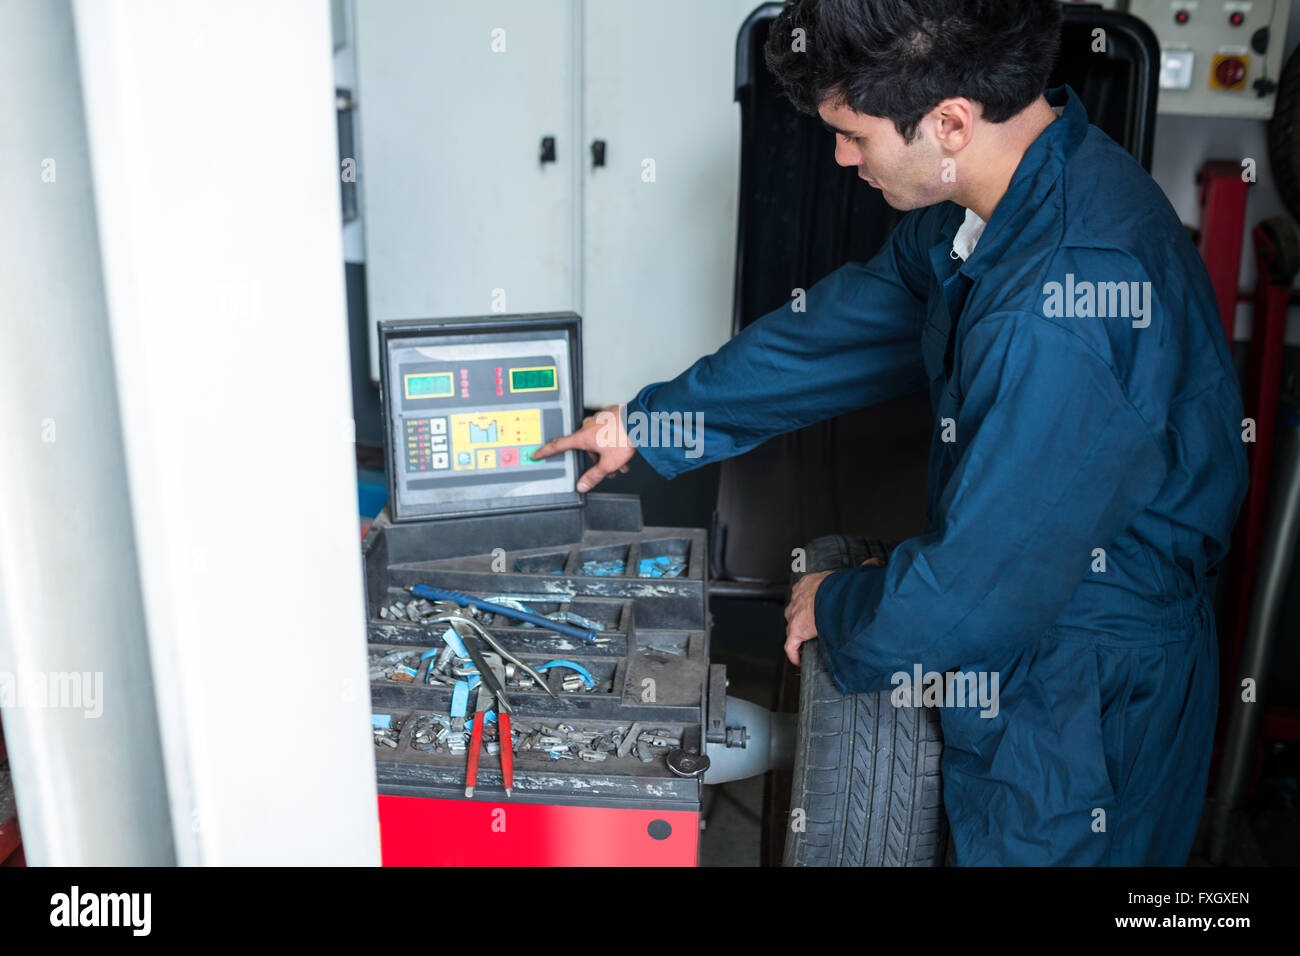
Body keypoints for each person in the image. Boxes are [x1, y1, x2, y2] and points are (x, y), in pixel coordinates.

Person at [532, 0, 1247, 865]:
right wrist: (650, 421)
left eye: (855, 135)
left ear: (949, 122)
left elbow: (968, 602)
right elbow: (841, 328)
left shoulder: (1053, 314)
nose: (840, 158)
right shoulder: (1014, 191)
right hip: (1048, 620)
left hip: (1086, 694)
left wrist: (836, 599)